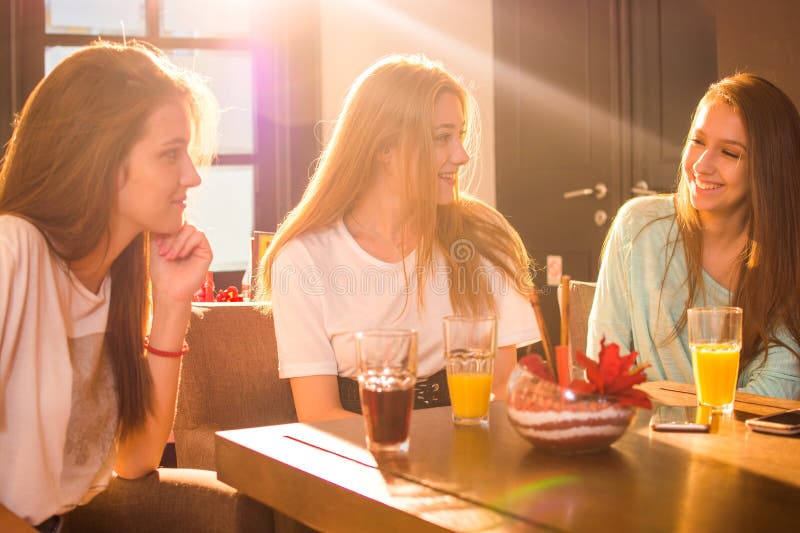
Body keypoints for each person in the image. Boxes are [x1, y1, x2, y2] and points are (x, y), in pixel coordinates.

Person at [0, 41, 217, 531]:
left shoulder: (114, 281)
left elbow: (136, 457)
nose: (192, 176)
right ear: (99, 158)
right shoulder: (12, 253)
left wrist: (172, 304)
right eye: (170, 154)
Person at [260, 54, 540, 422]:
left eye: (461, 135)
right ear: (383, 148)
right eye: (443, 138)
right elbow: (319, 414)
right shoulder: (303, 259)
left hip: (472, 455)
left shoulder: (485, 236)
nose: (462, 155)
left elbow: (502, 388)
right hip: (362, 461)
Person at [588, 73, 800, 399]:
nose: (702, 164)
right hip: (645, 443)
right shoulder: (638, 227)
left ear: (768, 168)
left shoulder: (787, 261)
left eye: (730, 153)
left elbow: (776, 395)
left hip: (742, 448)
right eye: (697, 141)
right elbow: (604, 371)